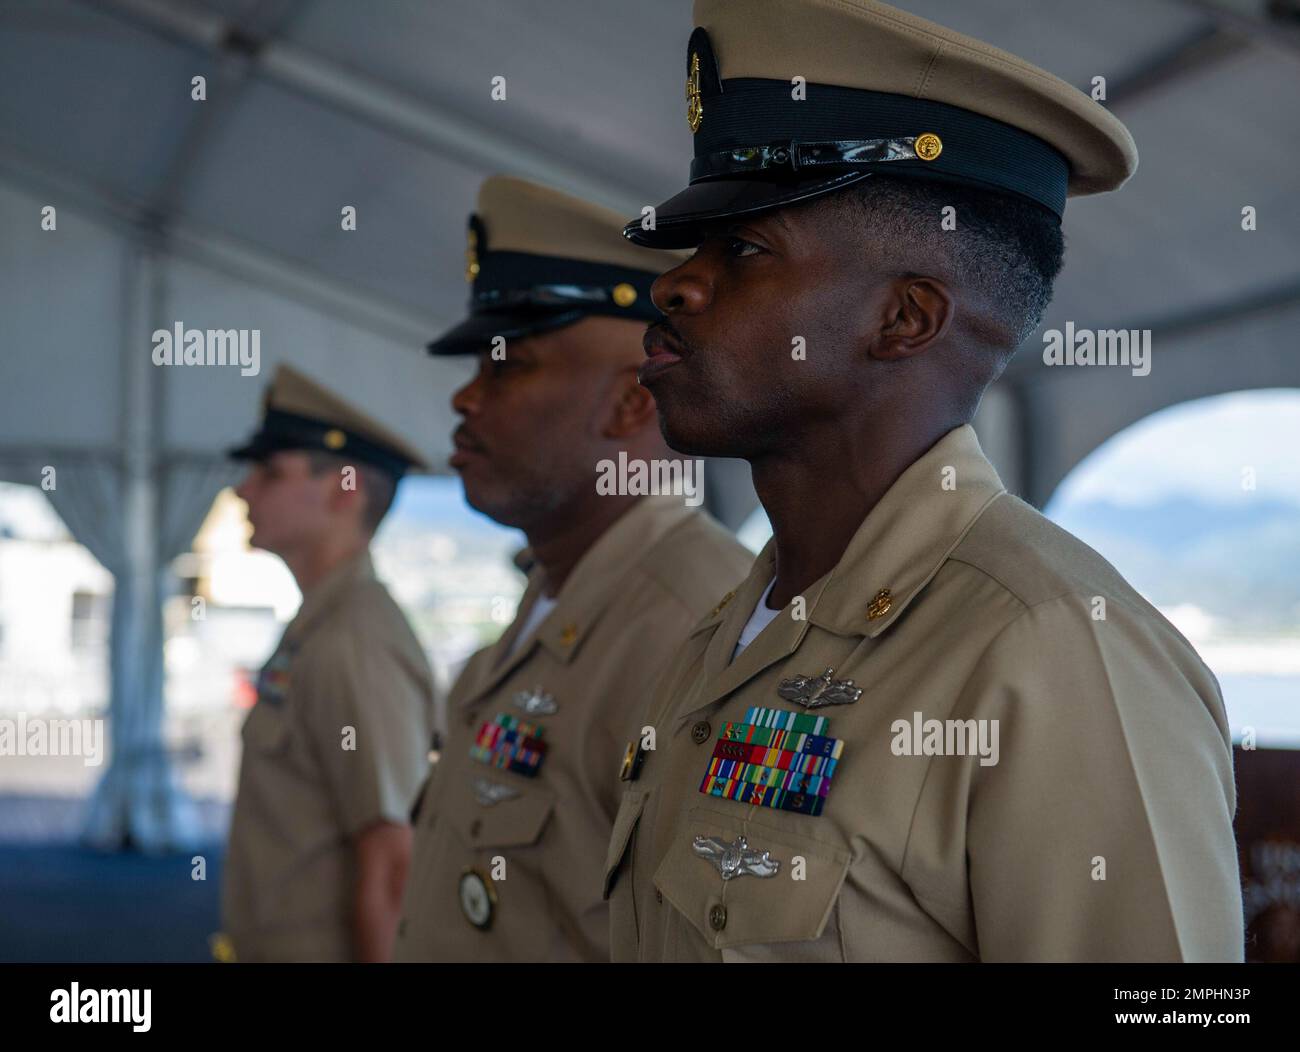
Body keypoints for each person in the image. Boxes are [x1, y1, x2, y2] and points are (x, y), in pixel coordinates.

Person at [604, 0, 1244, 962]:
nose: (674, 285)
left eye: (741, 250)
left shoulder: (1051, 654)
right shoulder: (735, 630)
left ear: (905, 319)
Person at [392, 176, 752, 961]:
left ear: (630, 406)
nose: (464, 399)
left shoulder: (693, 624)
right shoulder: (560, 584)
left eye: (507, 368)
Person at [218, 363, 435, 962]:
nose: (242, 489)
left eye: (269, 472)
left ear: (344, 486)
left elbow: (394, 862)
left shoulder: (355, 638)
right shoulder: (322, 624)